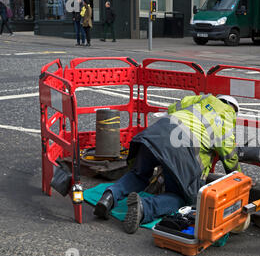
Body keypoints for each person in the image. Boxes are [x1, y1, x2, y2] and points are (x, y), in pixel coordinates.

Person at [93, 94, 241, 234]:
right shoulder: (226, 120)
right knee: (182, 198)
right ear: (234, 112)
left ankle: (109, 196)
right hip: (182, 149)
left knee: (139, 174)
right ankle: (145, 208)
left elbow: (173, 108)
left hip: (157, 132)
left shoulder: (203, 99)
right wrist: (239, 178)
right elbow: (230, 158)